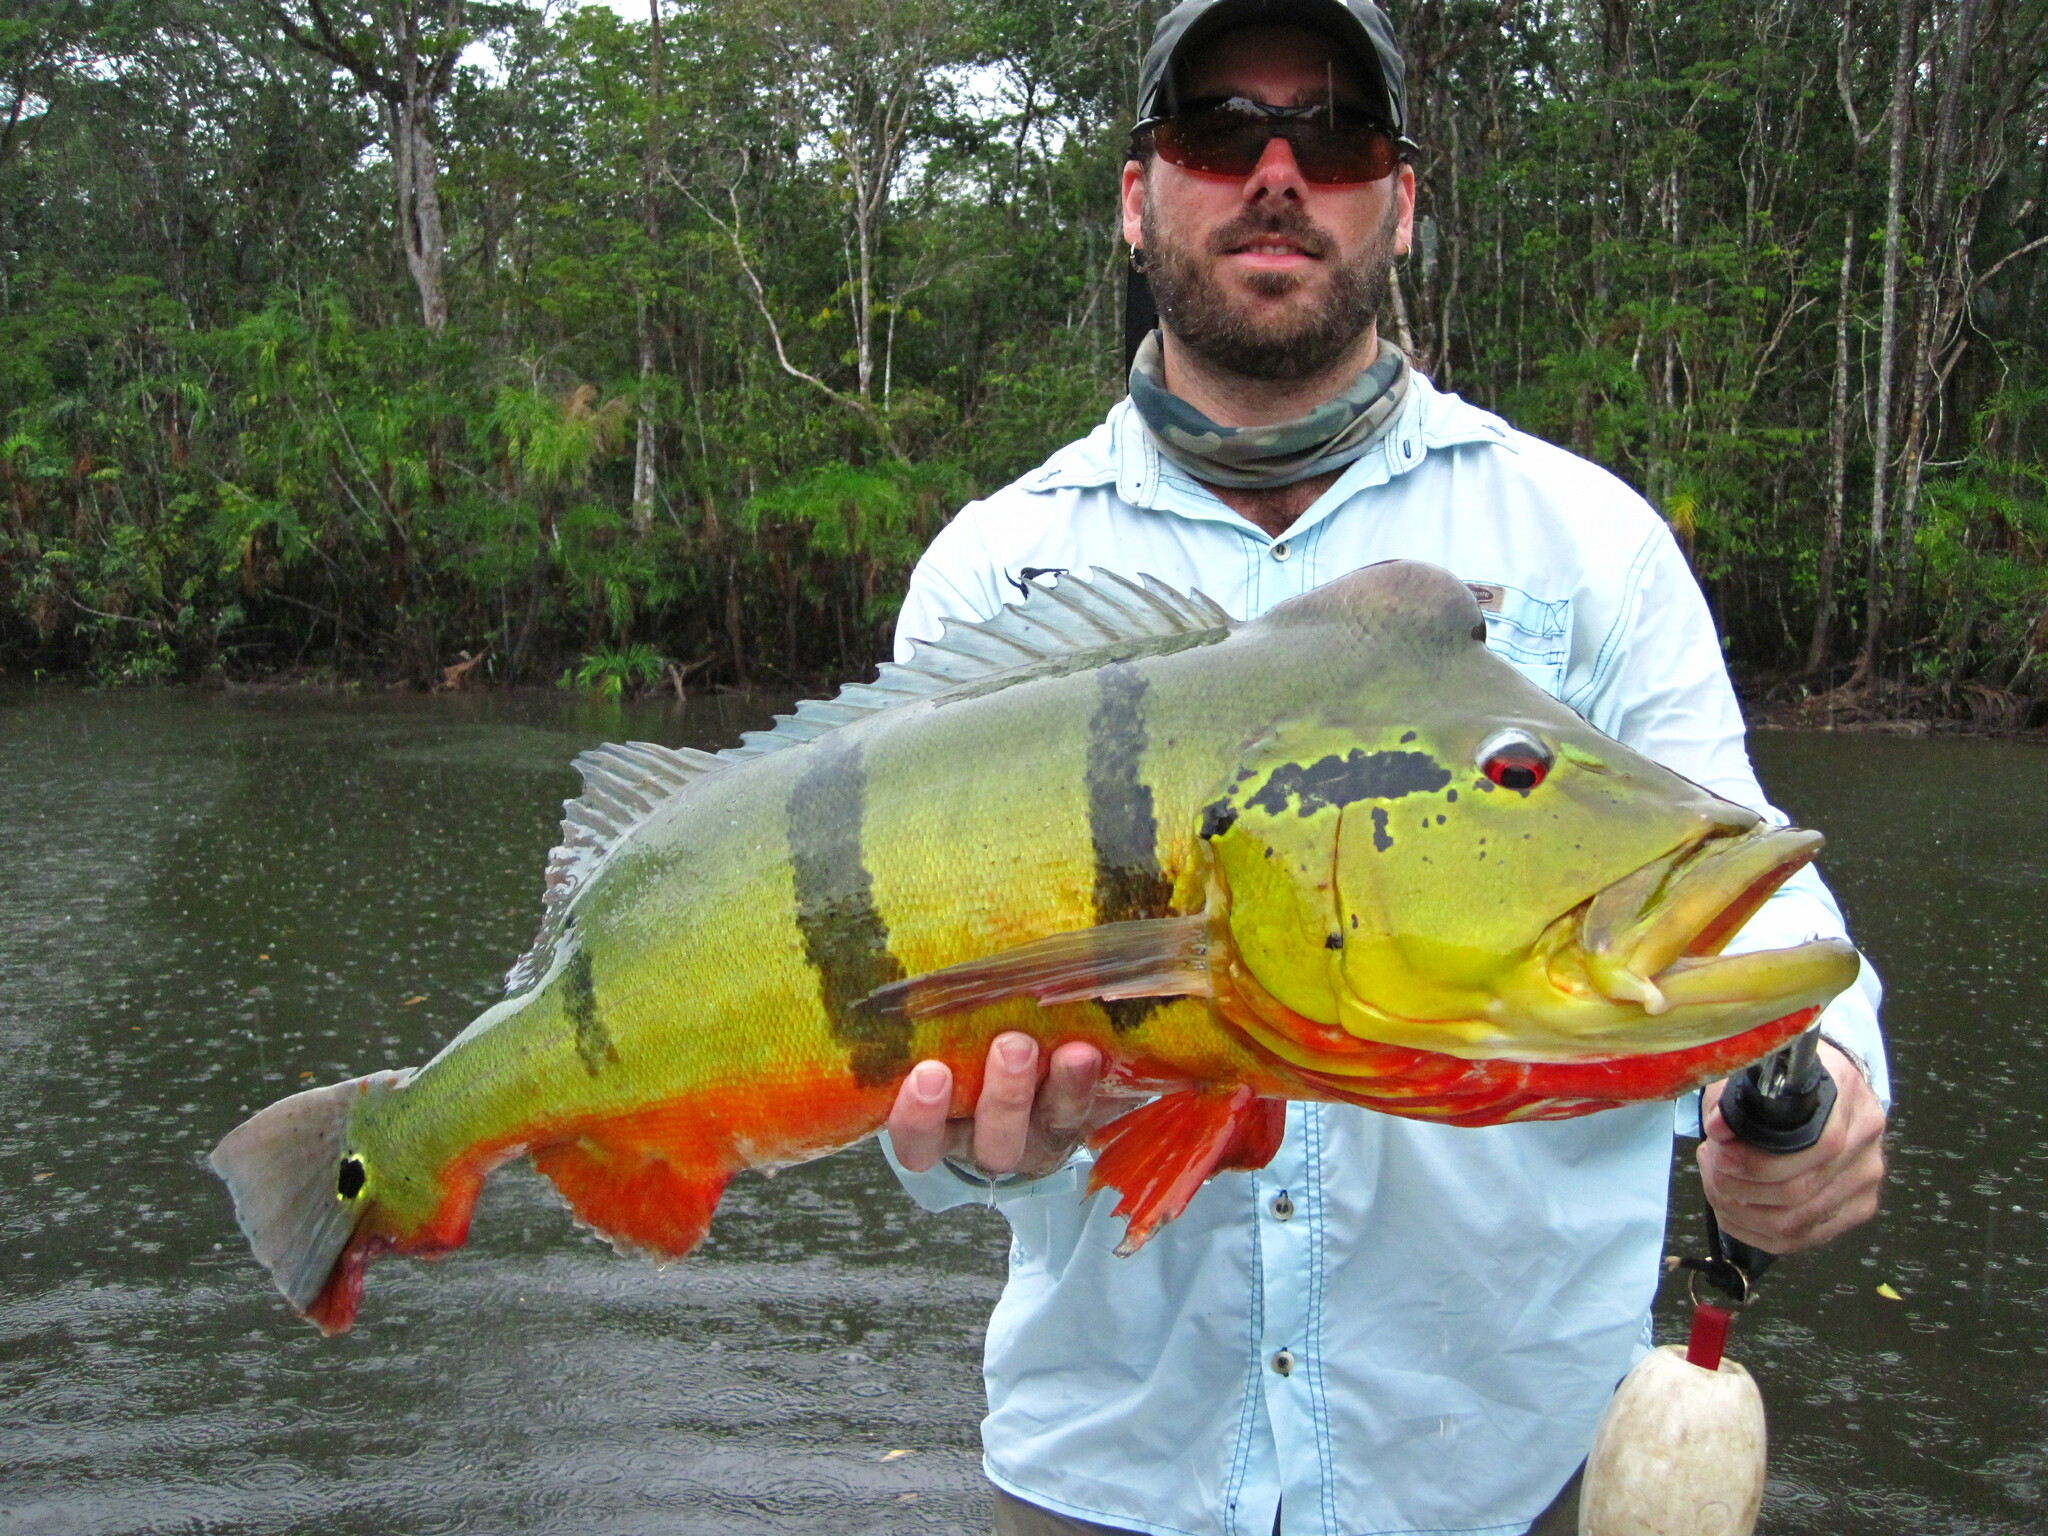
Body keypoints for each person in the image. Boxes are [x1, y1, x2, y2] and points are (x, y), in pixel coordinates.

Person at [881, 3, 1890, 1532]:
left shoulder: (1587, 543)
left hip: (1502, 1474)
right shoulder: (996, 574)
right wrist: (984, 1151)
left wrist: (1814, 1099)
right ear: (1136, 194)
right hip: (1112, 1476)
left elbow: (1740, 891)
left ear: (1400, 203)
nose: (1278, 172)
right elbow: (917, 1108)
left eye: (1336, 133)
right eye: (1220, 129)